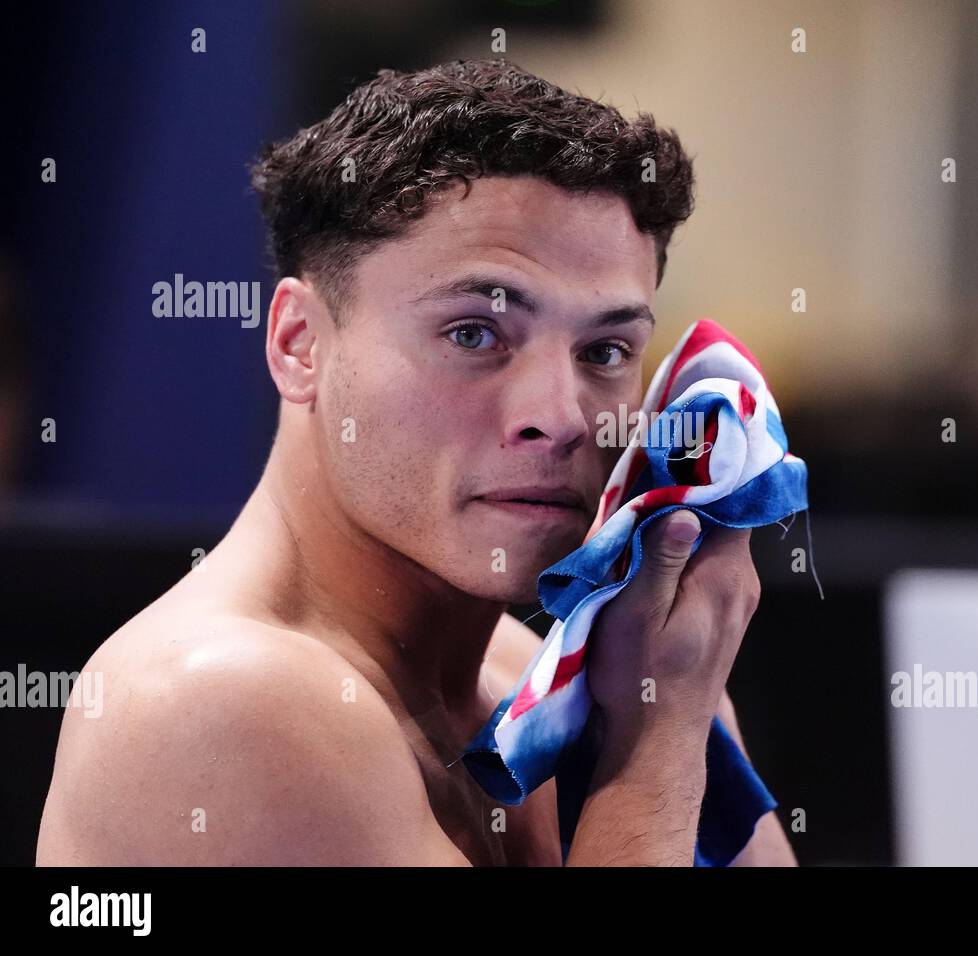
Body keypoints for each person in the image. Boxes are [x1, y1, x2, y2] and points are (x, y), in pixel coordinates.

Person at [36, 58, 796, 866]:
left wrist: (674, 707)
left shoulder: (542, 671)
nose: (560, 417)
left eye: (605, 350)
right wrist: (655, 747)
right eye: (474, 333)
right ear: (300, 344)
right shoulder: (219, 701)